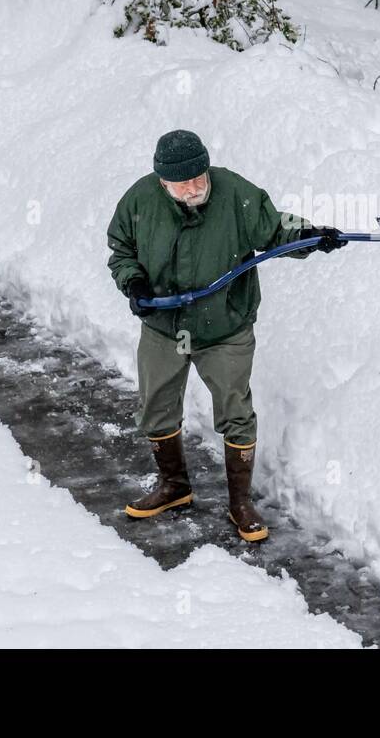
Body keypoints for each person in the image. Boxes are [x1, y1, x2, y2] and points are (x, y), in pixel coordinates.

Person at [106, 129, 345, 541]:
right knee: (156, 406)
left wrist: (310, 235)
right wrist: (135, 285)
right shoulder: (139, 201)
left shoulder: (233, 192)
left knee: (236, 411)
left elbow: (275, 227)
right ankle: (174, 486)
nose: (196, 187)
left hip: (225, 325)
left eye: (200, 177)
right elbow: (121, 250)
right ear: (163, 181)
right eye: (184, 183)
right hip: (165, 326)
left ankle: (240, 502)